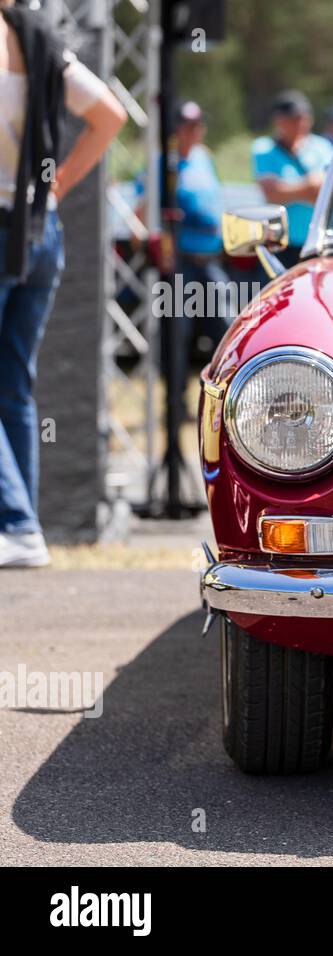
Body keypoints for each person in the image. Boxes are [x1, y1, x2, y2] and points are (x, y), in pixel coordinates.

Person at [0, 0, 126, 569]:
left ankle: (17, 524)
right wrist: (55, 188)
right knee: (14, 386)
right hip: (39, 227)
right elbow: (110, 116)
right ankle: (20, 528)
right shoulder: (40, 39)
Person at [170, 101, 231, 352]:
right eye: (188, 126)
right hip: (181, 261)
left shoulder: (204, 157)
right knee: (178, 331)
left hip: (211, 257)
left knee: (226, 325)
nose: (194, 131)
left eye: (198, 125)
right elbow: (145, 207)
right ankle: (175, 378)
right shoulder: (165, 162)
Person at [251, 90, 333, 266]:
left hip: (317, 243)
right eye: (294, 119)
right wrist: (309, 187)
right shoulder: (263, 148)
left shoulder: (323, 147)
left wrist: (291, 190)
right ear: (279, 121)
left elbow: (330, 190)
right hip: (280, 246)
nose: (300, 123)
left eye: (304, 118)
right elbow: (273, 194)